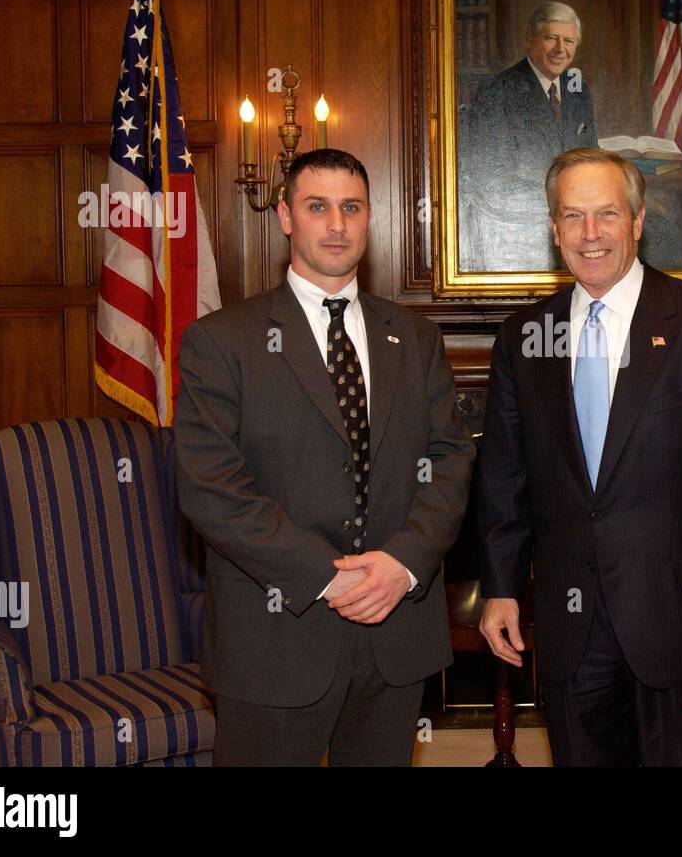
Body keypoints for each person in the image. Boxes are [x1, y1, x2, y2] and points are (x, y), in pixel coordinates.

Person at [175, 148, 475, 766]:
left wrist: (403, 562)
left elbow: (449, 460)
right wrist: (326, 575)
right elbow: (211, 487)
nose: (336, 224)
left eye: (352, 208)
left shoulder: (414, 338)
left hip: (396, 627)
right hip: (274, 637)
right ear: (285, 216)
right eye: (318, 207)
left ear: (370, 219)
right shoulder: (221, 341)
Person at [476, 147, 682, 766]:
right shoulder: (523, 337)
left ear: (637, 222)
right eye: (573, 216)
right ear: (554, 229)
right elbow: (505, 478)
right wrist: (501, 590)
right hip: (569, 623)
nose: (591, 234)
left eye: (607, 214)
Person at [460, 1, 598, 271]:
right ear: (529, 39)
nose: (561, 50)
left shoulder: (577, 88)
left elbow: (591, 158)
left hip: (575, 229)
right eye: (551, 38)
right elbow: (491, 180)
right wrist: (564, 206)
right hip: (515, 232)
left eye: (569, 41)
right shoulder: (496, 92)